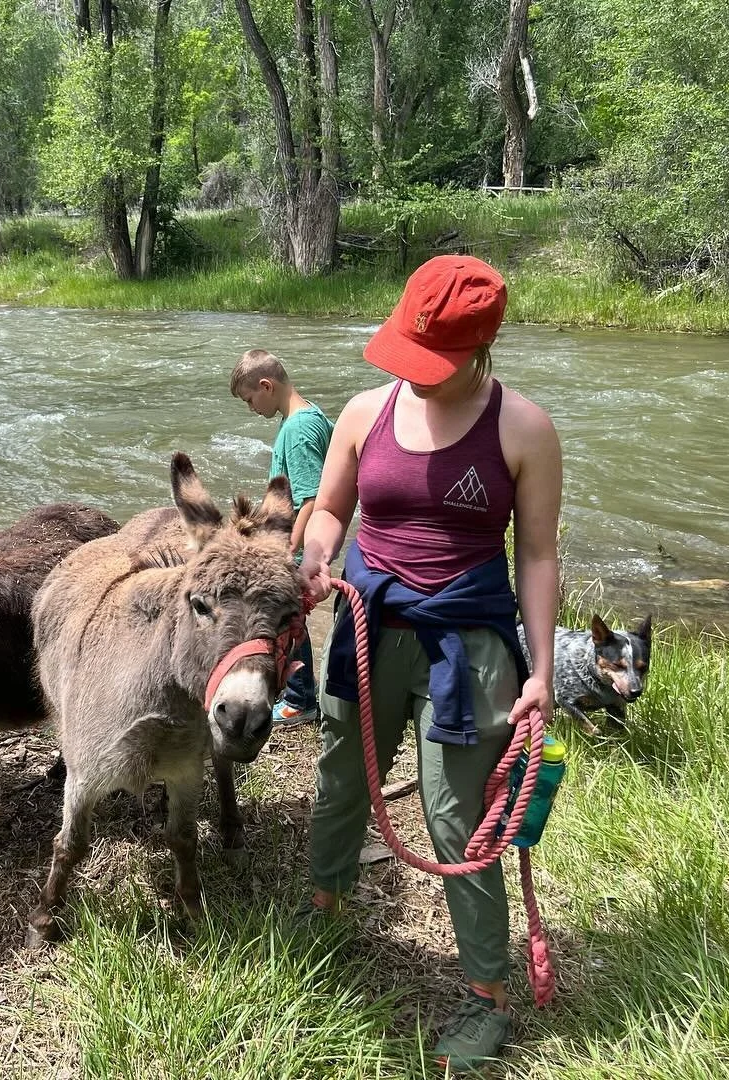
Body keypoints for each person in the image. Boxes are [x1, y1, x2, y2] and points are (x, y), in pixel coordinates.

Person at [297, 256, 562, 1070]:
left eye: (433, 359)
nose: (414, 373)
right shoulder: (363, 412)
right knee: (342, 775)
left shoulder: (523, 428)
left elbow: (539, 556)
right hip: (369, 627)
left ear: (480, 347)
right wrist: (316, 555)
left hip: (468, 646)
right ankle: (324, 906)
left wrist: (542, 673)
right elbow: (330, 508)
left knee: (459, 818)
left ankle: (486, 995)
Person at [231, 349, 334, 724]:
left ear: (266, 386)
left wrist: (287, 548)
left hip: (298, 546)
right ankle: (300, 694)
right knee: (292, 619)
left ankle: (299, 700)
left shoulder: (297, 430)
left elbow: (311, 498)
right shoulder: (311, 415)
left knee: (290, 621)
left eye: (250, 399)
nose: (251, 408)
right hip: (303, 541)